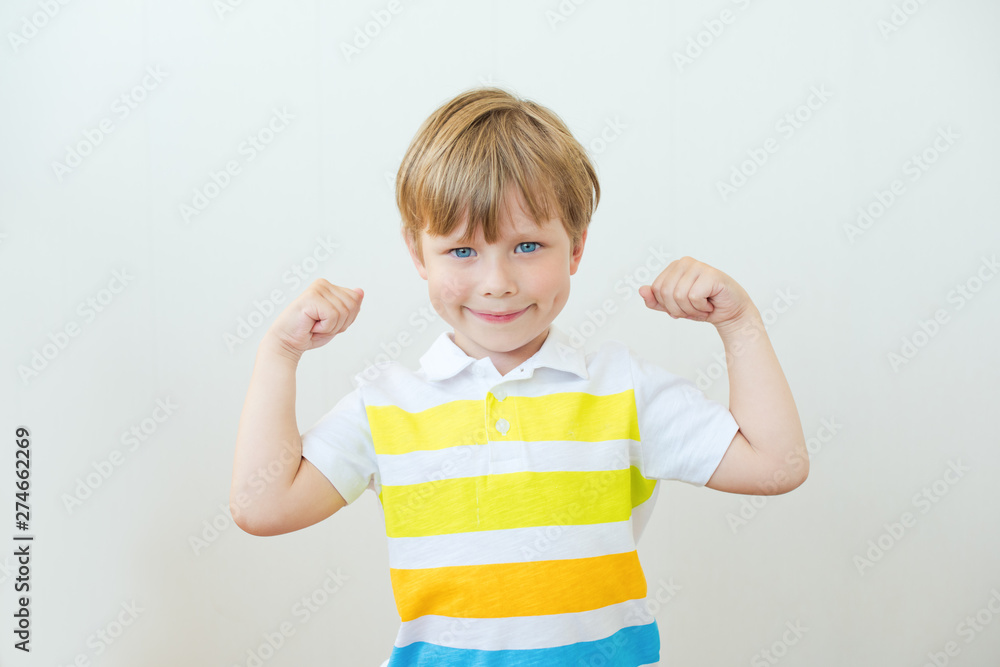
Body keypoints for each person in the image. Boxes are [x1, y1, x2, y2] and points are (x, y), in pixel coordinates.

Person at [230, 86, 809, 666]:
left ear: (576, 247)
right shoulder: (386, 406)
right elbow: (262, 507)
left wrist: (739, 324)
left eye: (527, 245)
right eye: (462, 251)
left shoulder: (621, 389)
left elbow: (775, 465)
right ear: (417, 252)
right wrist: (280, 354)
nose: (497, 283)